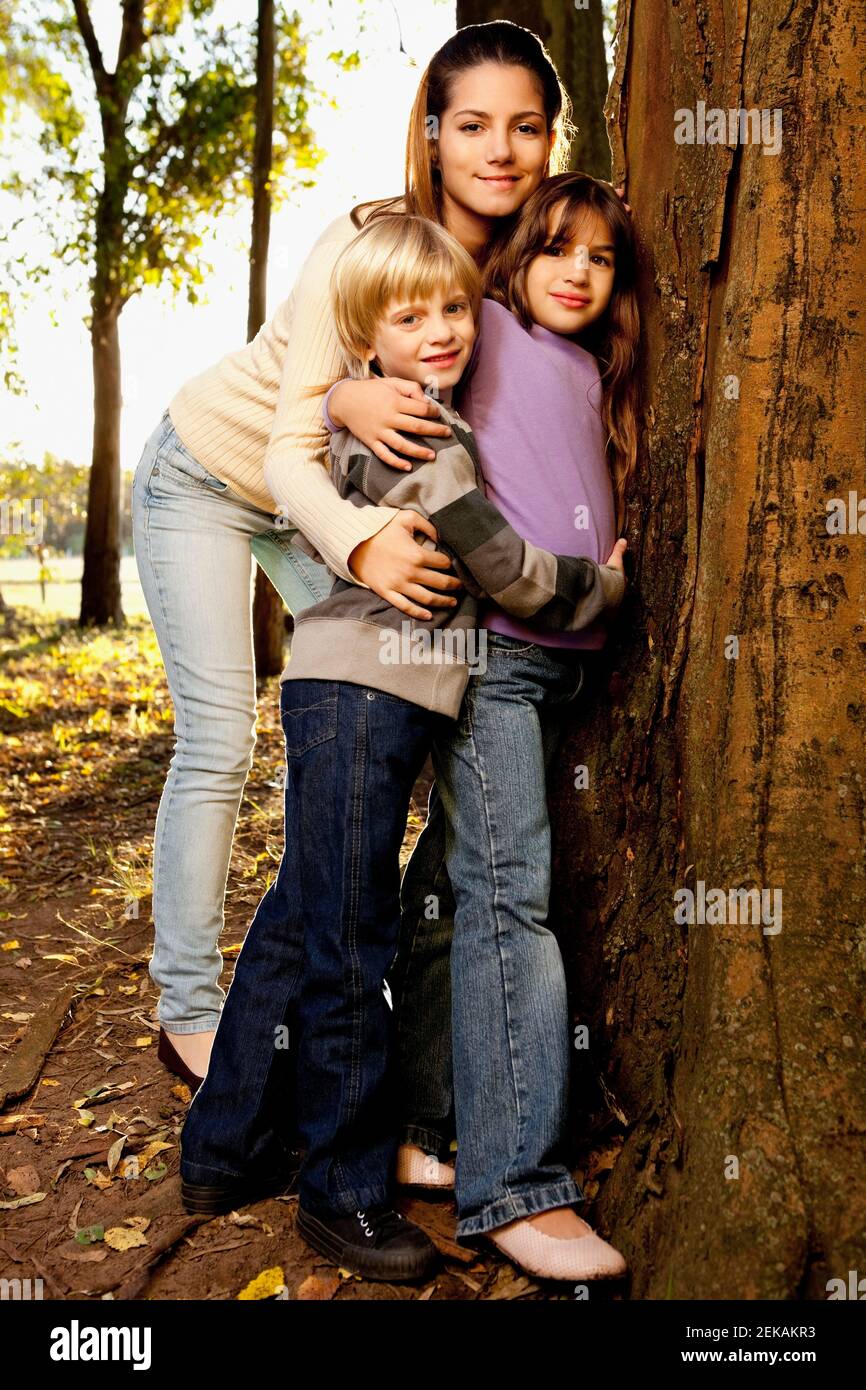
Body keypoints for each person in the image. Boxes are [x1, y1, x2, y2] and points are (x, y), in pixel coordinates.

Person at [130, 20, 592, 1087]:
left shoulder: (529, 262)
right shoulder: (365, 234)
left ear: (553, 138)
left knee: (366, 739)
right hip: (218, 474)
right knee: (219, 738)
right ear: (429, 136)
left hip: (327, 505)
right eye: (470, 124)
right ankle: (189, 1007)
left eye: (526, 127)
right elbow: (294, 447)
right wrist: (365, 541)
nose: (498, 149)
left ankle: (340, 988)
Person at [179, 212, 627, 1282]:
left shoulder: (401, 420)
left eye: (452, 311)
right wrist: (606, 582)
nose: (438, 332)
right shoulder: (423, 435)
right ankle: (341, 1190)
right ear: (361, 339)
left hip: (371, 694)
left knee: (308, 910)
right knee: (353, 939)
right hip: (359, 693)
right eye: (407, 316)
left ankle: (222, 1148)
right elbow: (513, 574)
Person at [371, 173, 640, 1281]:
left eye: (601, 257)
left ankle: (427, 1131)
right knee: (506, 896)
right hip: (497, 659)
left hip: (566, 673)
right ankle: (514, 1185)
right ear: (515, 260)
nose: (577, 271)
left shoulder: (599, 371)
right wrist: (345, 401)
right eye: (556, 248)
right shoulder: (481, 325)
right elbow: (375, 274)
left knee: (446, 895)